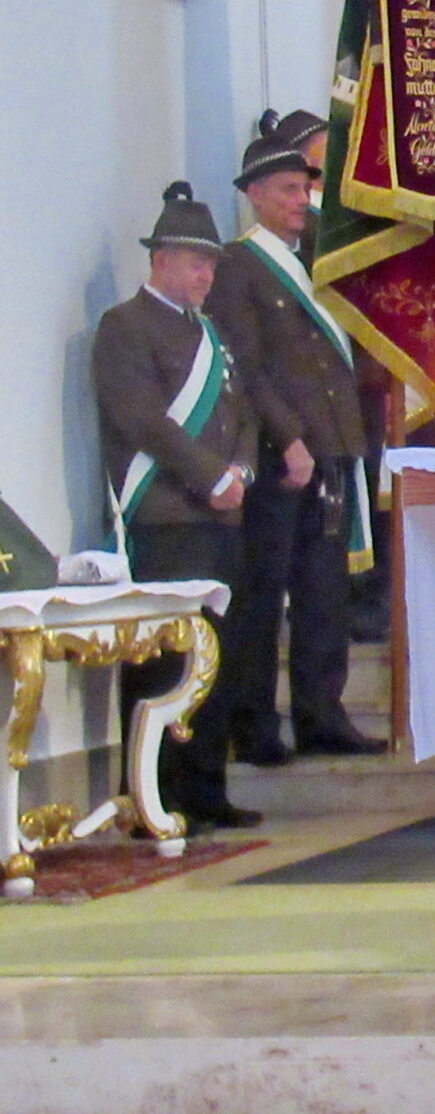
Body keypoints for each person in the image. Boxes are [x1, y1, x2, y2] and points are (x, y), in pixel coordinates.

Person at [206, 133, 386, 760]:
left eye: (305, 188)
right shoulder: (238, 265)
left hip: (333, 443)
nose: (300, 199)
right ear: (254, 194)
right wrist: (288, 438)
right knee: (264, 591)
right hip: (280, 453)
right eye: (287, 189)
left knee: (324, 588)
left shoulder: (317, 259)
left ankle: (322, 714)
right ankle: (254, 723)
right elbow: (246, 366)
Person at [90, 182, 262, 830]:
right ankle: (153, 795)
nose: (206, 276)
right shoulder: (124, 327)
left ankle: (205, 789)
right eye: (196, 264)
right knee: (163, 662)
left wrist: (240, 471)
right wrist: (210, 477)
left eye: (211, 265)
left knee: (219, 657)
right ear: (161, 260)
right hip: (166, 519)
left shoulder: (211, 334)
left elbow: (243, 414)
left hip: (221, 516)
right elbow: (141, 419)